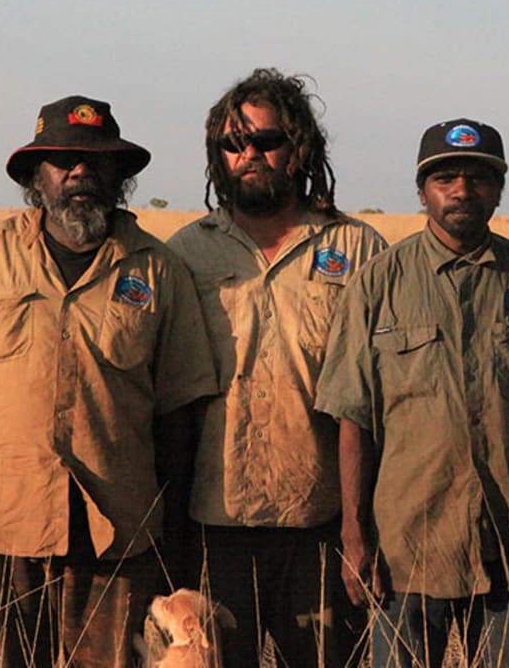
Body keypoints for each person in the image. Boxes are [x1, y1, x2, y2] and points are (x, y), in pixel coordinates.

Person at [0, 96, 217, 668]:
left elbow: (178, 420)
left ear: (120, 176)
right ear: (35, 176)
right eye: (63, 160)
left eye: (97, 161)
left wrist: (175, 544)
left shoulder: (157, 269)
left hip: (118, 540)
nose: (80, 172)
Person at [315, 118, 509, 668]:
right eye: (446, 178)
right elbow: (353, 417)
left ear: (498, 190)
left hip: (507, 549)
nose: (463, 191)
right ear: (421, 191)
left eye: (479, 178)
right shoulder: (379, 282)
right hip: (406, 548)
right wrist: (354, 536)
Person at [166, 68, 388, 667]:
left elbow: (382, 398)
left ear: (300, 148)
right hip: (214, 521)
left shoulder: (358, 249)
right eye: (233, 145)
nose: (250, 156)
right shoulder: (186, 253)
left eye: (266, 141)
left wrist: (360, 528)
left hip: (322, 521)